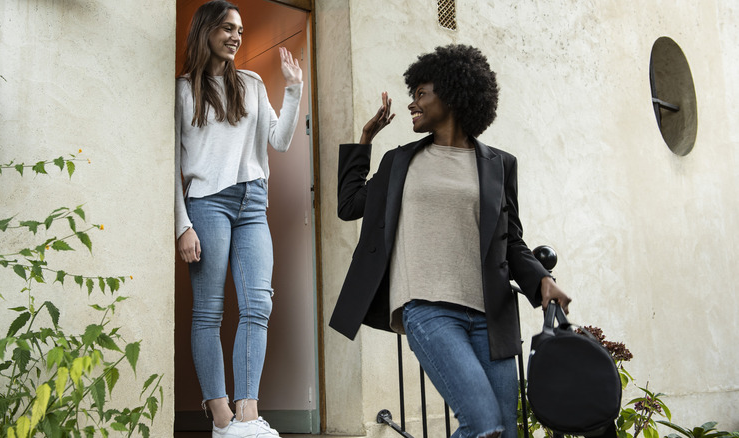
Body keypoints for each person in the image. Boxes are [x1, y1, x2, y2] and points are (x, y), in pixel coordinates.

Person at [329, 44, 571, 438]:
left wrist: (541, 279)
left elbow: (511, 240)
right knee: (483, 424)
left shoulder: (499, 165)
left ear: (454, 96)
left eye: (421, 93)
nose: (412, 103)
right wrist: (366, 139)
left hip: (489, 313)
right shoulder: (401, 162)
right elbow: (349, 204)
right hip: (427, 308)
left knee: (506, 431)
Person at [174, 1, 303, 437]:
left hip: (252, 202)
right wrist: (182, 224)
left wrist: (293, 88)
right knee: (209, 311)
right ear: (206, 29)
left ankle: (248, 414)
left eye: (241, 30)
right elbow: (169, 164)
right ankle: (221, 416)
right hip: (206, 203)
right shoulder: (183, 90)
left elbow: (280, 141)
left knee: (258, 304)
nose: (236, 36)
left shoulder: (250, 82)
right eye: (228, 28)